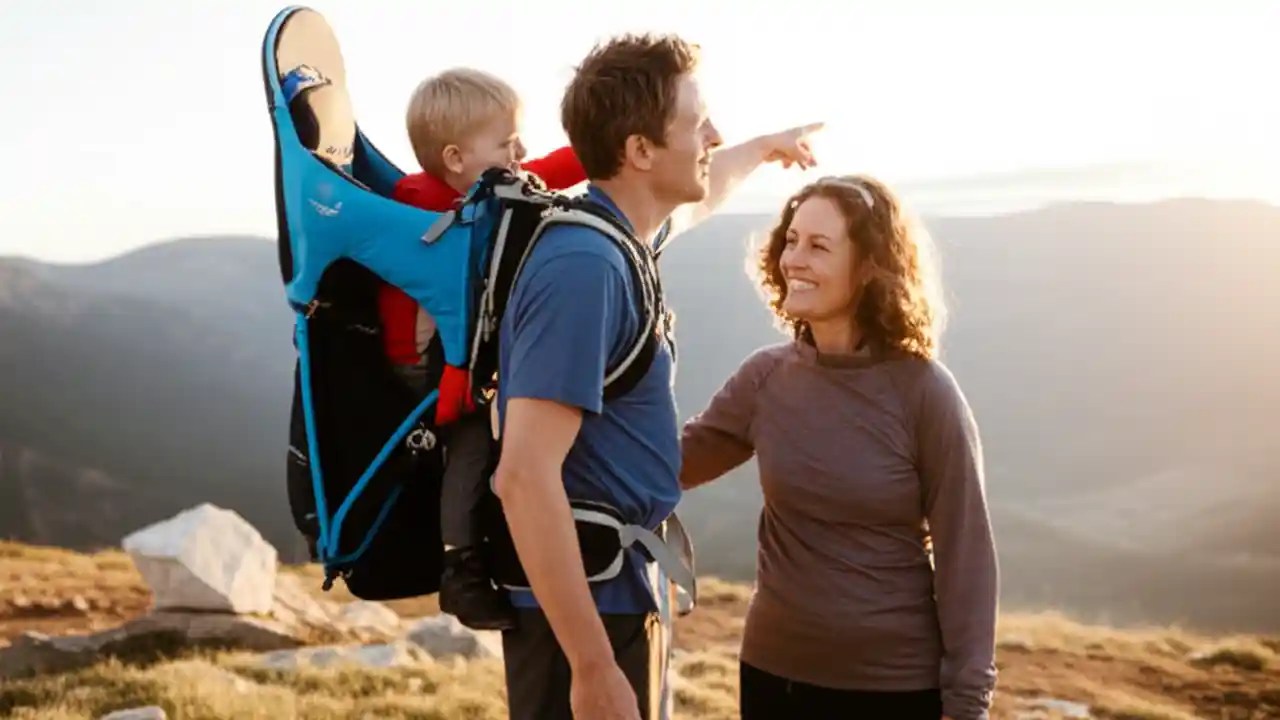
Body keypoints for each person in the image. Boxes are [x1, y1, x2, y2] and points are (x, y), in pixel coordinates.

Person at [489, 33, 822, 720]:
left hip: (617, 592)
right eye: (696, 122)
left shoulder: (623, 239)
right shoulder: (583, 269)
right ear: (640, 152)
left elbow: (702, 193)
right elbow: (523, 477)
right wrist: (591, 667)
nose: (713, 135)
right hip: (585, 611)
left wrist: (762, 148)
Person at [679, 175, 999, 720]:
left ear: (872, 267)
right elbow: (665, 464)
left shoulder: (924, 393)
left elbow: (965, 558)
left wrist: (968, 702)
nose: (792, 259)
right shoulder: (765, 378)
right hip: (772, 677)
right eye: (792, 239)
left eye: (819, 246)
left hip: (893, 688)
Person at [378, 67, 590, 631]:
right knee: (474, 440)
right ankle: (461, 571)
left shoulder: (472, 192)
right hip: (424, 362)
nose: (521, 152)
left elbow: (542, 172)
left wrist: (599, 146)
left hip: (455, 352)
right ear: (455, 158)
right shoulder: (426, 208)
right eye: (506, 143)